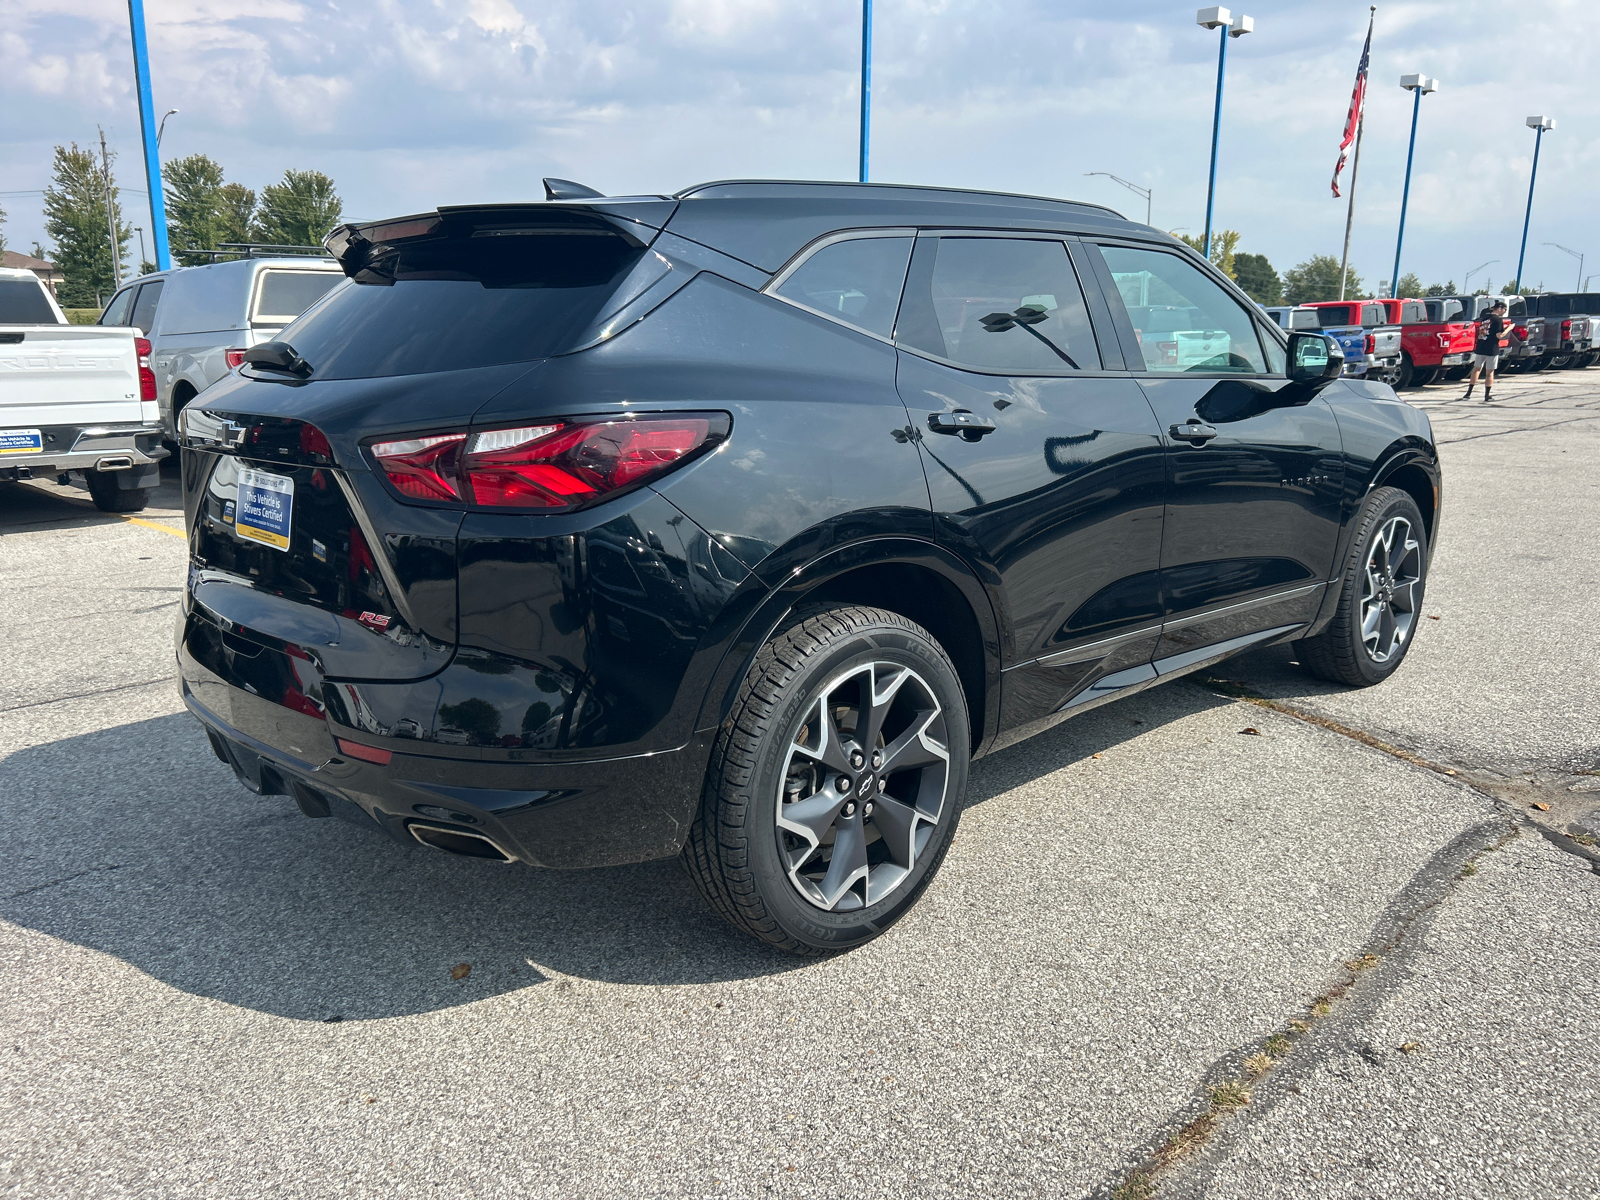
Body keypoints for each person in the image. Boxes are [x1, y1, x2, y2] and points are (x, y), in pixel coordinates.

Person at [1463, 299, 1508, 401]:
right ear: (1499, 308)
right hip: (1492, 348)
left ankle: (1468, 393)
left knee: (1476, 369)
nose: (1504, 312)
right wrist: (1509, 328)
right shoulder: (1498, 320)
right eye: (1504, 309)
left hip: (1481, 346)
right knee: (1489, 372)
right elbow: (1499, 335)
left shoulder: (1485, 318)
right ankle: (1487, 395)